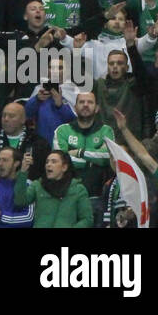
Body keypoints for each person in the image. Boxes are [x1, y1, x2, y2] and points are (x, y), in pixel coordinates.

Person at [50, 90, 114, 221]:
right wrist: (93, 158)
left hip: (98, 197)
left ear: (97, 108)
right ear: (75, 107)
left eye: (90, 102)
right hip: (67, 196)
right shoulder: (62, 130)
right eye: (81, 102)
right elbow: (60, 162)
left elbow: (108, 157)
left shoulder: (106, 130)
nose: (85, 105)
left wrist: (79, 152)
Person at [13, 149, 91, 228]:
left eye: (53, 162)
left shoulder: (78, 189)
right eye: (47, 162)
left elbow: (87, 220)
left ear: (64, 167)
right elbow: (19, 201)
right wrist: (23, 172)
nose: (48, 165)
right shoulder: (38, 185)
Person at [0, 147, 33, 228]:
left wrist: (1, 216)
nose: (0, 163)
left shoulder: (28, 185)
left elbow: (29, 218)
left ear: (16, 163)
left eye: (5, 160)